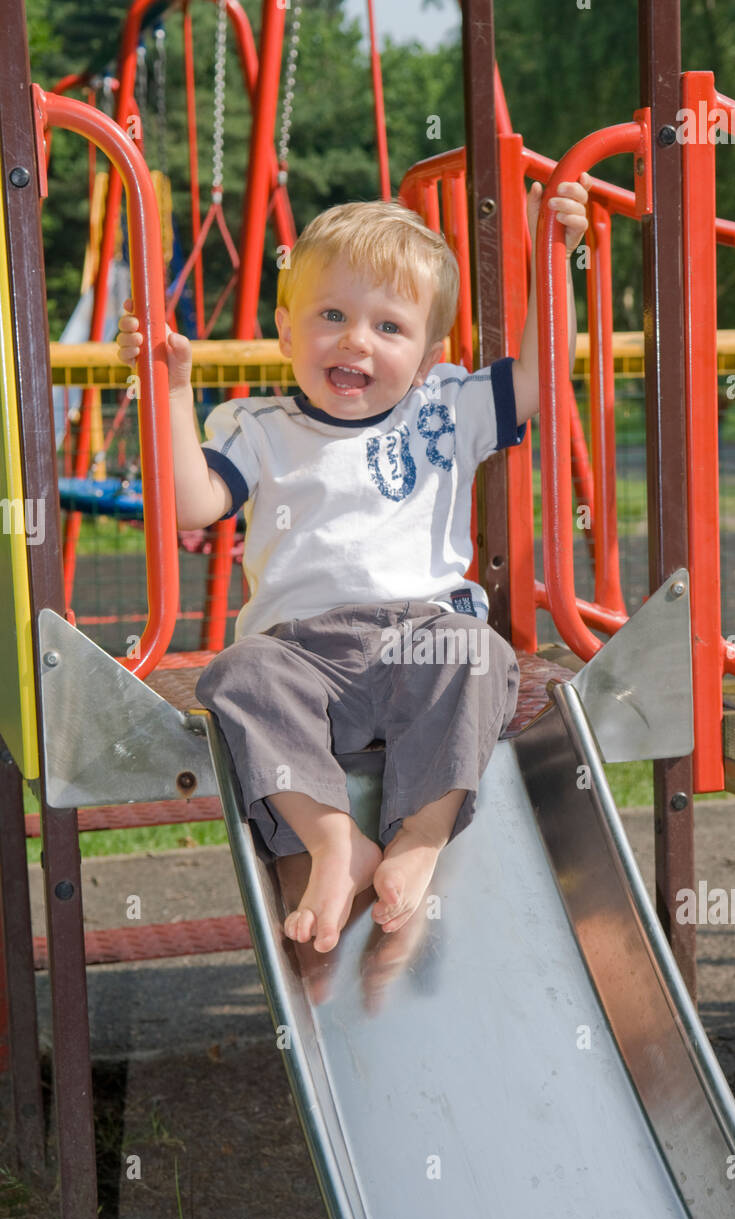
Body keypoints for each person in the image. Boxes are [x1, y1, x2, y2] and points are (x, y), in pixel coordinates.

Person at [117, 177, 589, 953]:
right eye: (330, 315)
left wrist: (555, 256)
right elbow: (192, 504)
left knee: (477, 656)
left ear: (430, 352)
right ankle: (335, 841)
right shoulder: (255, 426)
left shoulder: (445, 407)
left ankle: (421, 837)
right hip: (299, 651)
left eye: (388, 326)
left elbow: (538, 376)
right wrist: (170, 389)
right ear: (285, 329)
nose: (355, 341)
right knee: (236, 676)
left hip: (423, 636)